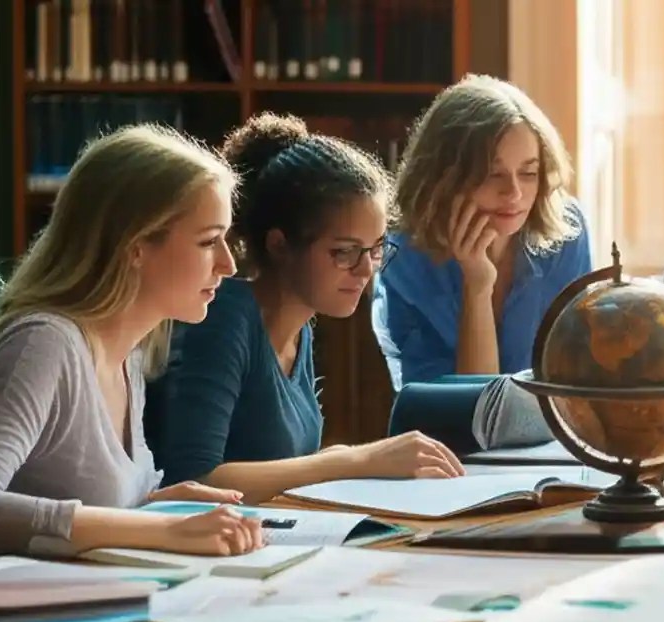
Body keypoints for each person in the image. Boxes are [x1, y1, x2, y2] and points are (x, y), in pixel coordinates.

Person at [0, 125, 263, 558]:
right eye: (209, 241)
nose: (228, 264)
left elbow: (89, 502)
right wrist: (160, 531)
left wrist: (156, 507)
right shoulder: (43, 344)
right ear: (134, 247)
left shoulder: (128, 352)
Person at [149, 113, 464, 504]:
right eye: (345, 252)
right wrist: (353, 459)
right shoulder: (224, 317)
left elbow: (282, 465)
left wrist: (339, 460)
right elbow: (195, 478)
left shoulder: (301, 327)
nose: (366, 269)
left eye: (377, 248)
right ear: (280, 244)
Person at [372, 74, 592, 391]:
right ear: (445, 176)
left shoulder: (569, 232)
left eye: (529, 173)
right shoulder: (403, 257)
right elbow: (467, 409)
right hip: (449, 435)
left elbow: (578, 382)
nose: (514, 193)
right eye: (493, 174)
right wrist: (477, 287)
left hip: (547, 434)